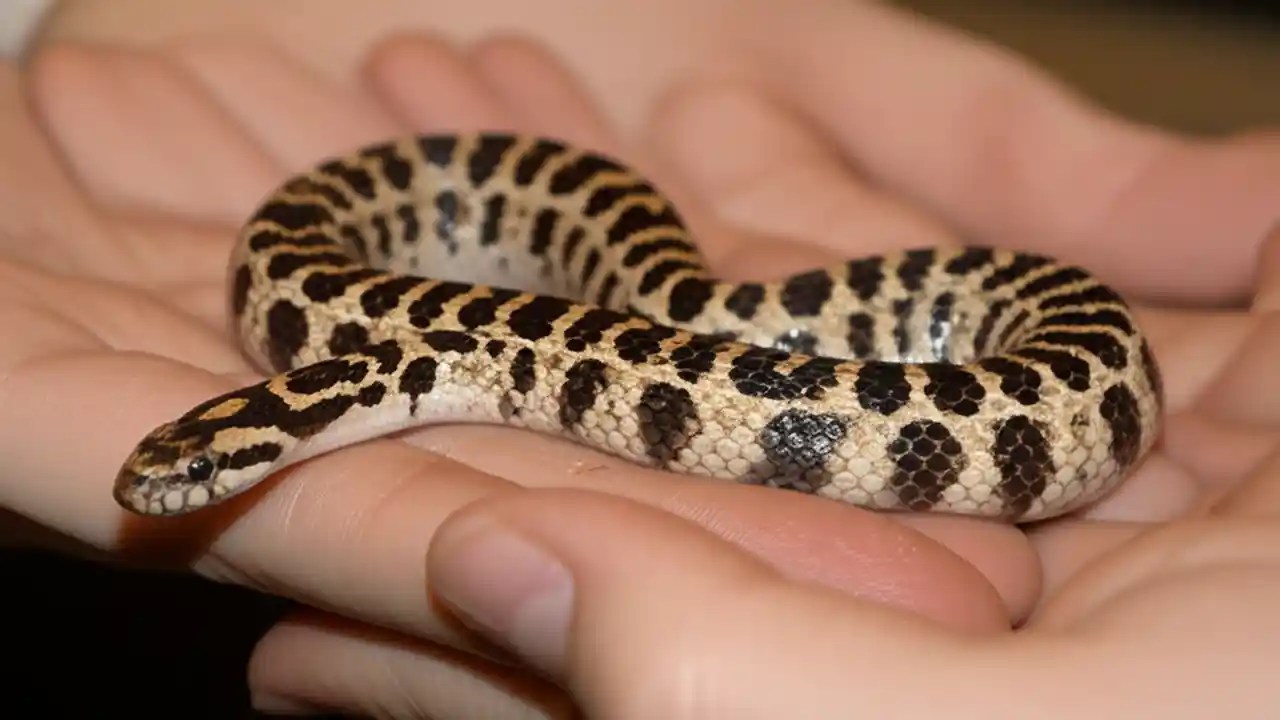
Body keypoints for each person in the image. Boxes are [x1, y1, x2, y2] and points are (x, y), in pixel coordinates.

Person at [3, 1, 1278, 716]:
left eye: (188, 469)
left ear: (250, 432)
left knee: (682, 317)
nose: (172, 488)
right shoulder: (341, 322)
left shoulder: (403, 357)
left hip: (1030, 341)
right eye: (188, 472)